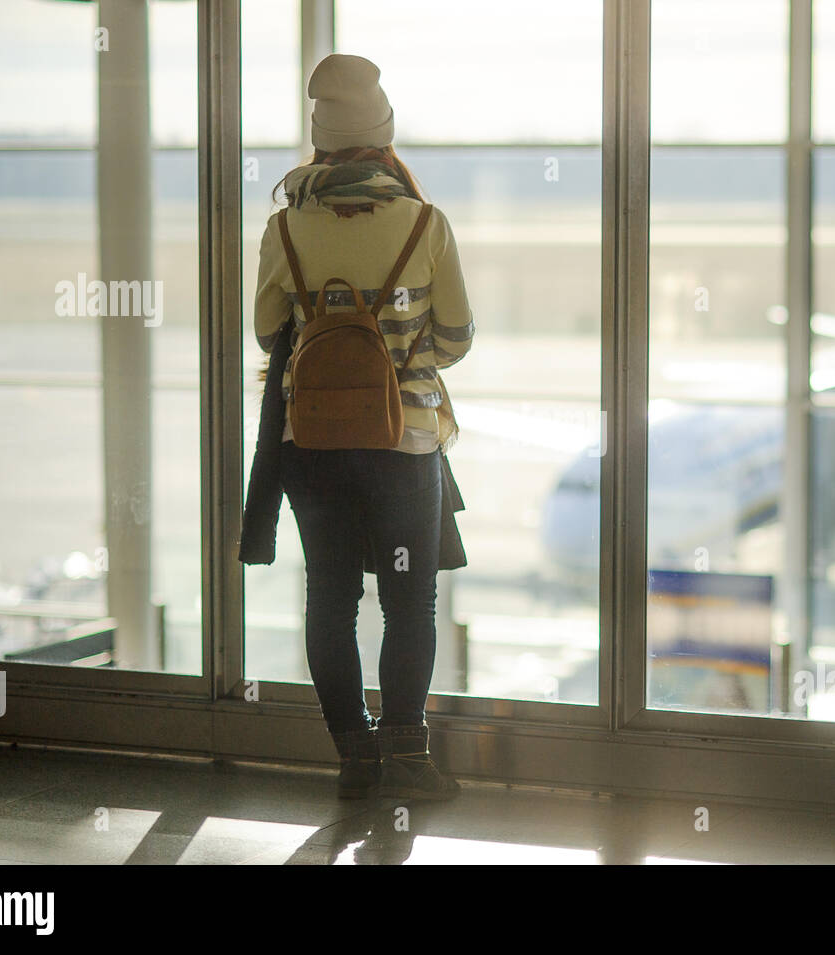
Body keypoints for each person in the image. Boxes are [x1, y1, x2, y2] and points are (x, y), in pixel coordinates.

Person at [244, 53, 474, 800]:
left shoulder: (284, 228)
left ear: (320, 140)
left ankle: (355, 758)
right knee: (409, 601)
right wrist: (405, 359)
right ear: (383, 138)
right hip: (402, 445)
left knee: (331, 598)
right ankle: (409, 762)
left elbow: (265, 330)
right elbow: (459, 335)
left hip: (310, 447)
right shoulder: (425, 223)